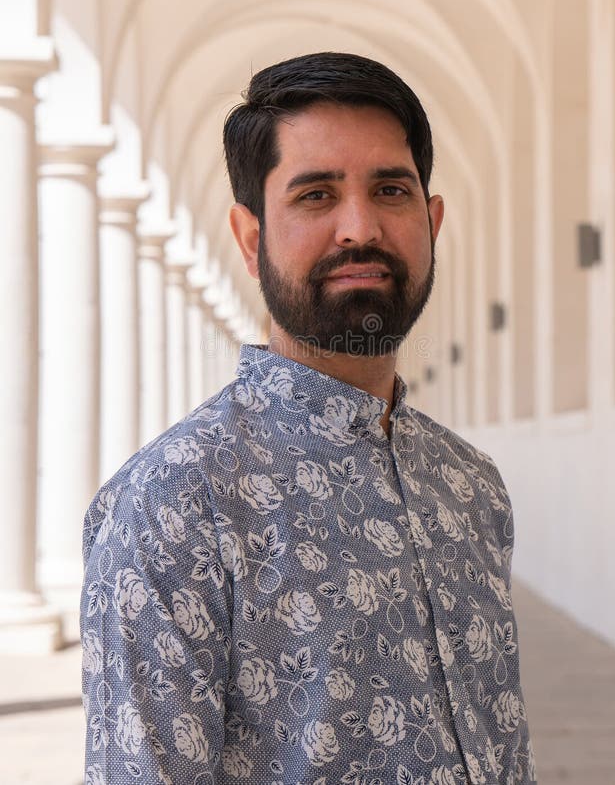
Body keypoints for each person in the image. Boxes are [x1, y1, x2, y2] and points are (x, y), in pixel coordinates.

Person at [81, 52, 536, 785]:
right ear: (251, 236)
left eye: (390, 189)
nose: (360, 228)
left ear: (432, 220)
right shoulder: (174, 504)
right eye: (316, 195)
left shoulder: (469, 487)